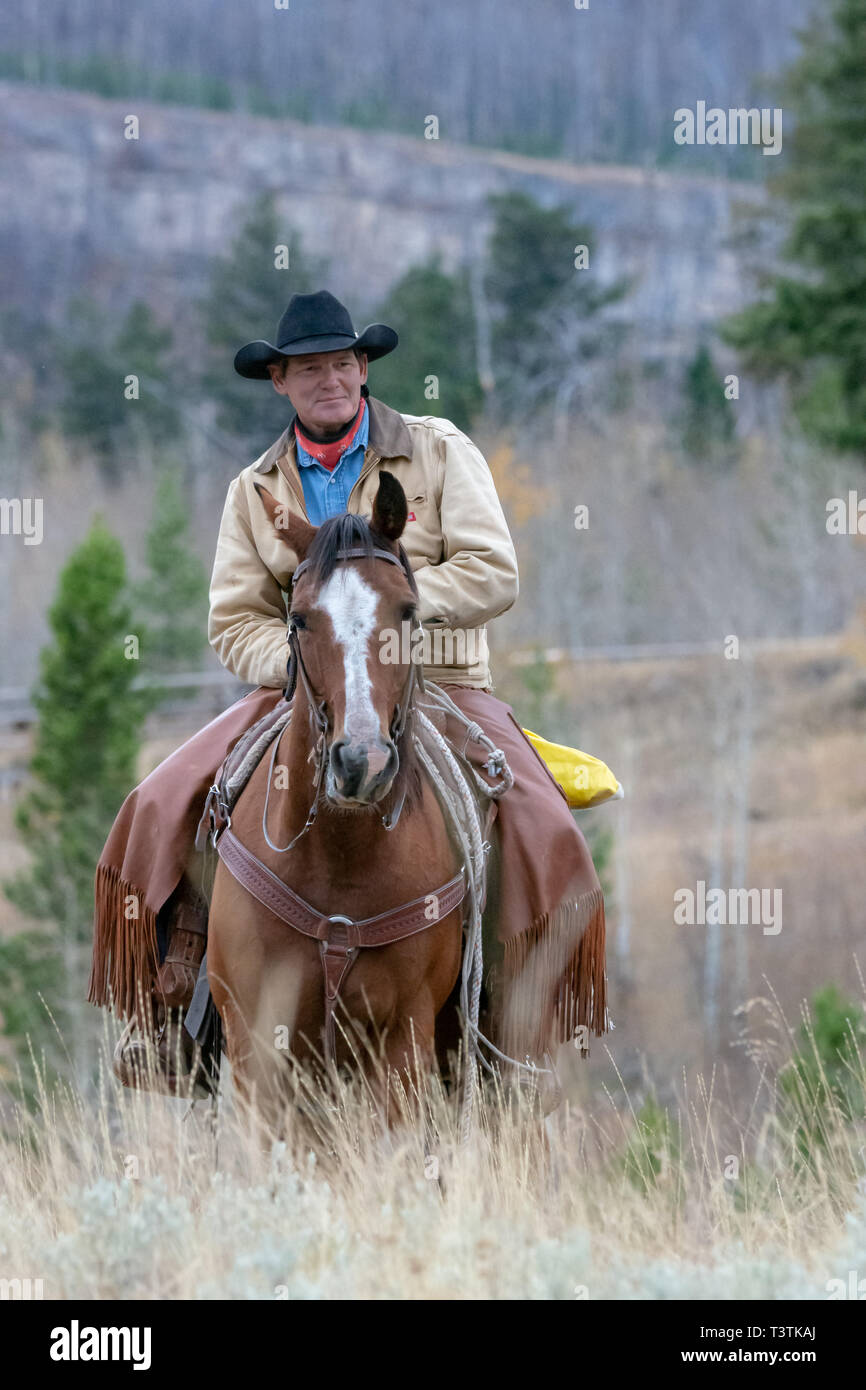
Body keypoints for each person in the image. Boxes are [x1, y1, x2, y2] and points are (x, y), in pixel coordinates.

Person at [91, 291, 606, 1091]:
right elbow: (232, 621)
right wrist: (316, 657)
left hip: (439, 681)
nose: (327, 380)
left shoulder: (437, 452)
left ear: (363, 370)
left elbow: (493, 571)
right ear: (280, 383)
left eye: (341, 364)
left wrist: (381, 617)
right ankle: (173, 1015)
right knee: (160, 802)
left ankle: (516, 1026)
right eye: (308, 370)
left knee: (544, 825)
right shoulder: (251, 488)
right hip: (304, 686)